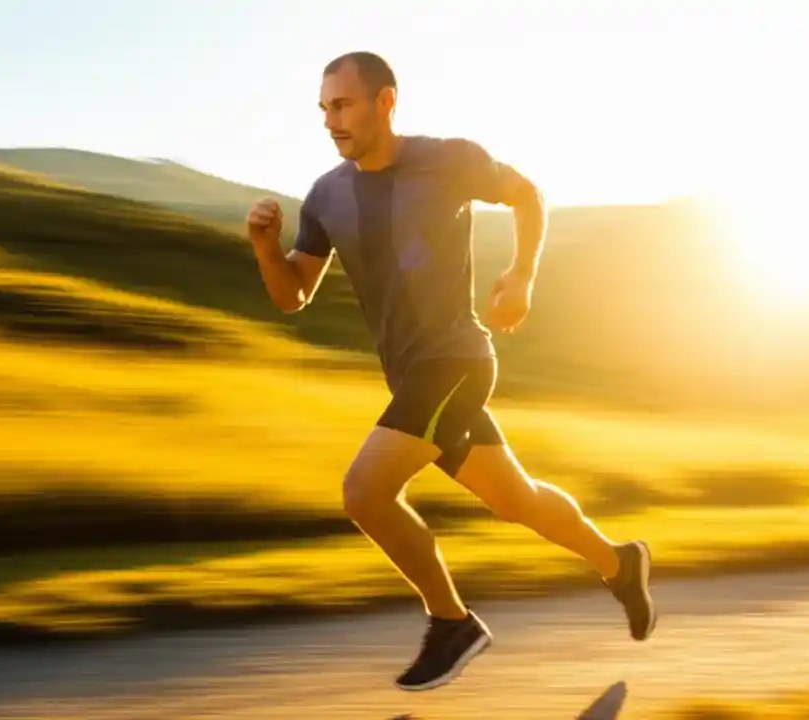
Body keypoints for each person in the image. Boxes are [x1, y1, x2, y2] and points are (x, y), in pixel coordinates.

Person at [244, 51, 656, 692]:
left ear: (385, 103)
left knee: (364, 492)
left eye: (344, 104)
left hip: (457, 361)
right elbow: (294, 295)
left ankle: (452, 622)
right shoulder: (325, 196)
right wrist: (267, 250)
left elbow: (526, 195)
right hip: (412, 378)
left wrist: (521, 274)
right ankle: (620, 564)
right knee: (515, 500)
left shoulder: (450, 159)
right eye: (324, 108)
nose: (331, 120)